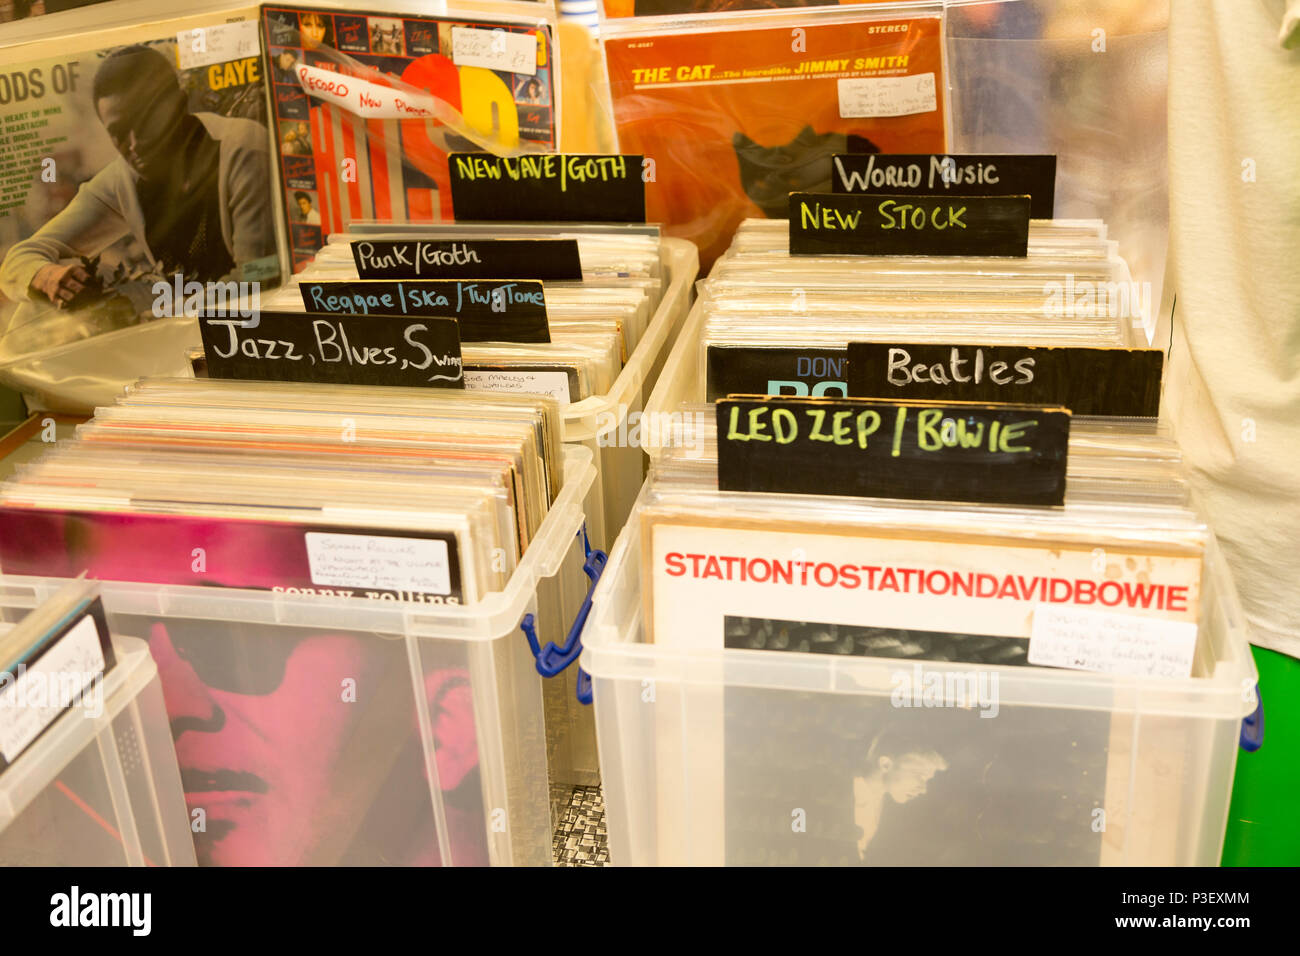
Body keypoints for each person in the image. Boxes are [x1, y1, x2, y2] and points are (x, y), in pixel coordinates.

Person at [0, 45, 276, 308]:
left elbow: (259, 277)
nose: (134, 144)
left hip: (251, 327)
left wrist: (147, 312)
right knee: (36, 310)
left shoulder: (242, 146)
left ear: (180, 105)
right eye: (119, 132)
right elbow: (19, 259)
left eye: (146, 122)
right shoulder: (123, 178)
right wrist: (48, 277)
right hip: (184, 328)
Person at [852, 730, 947, 862]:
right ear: (886, 764)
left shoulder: (882, 804)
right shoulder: (845, 797)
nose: (924, 789)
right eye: (919, 775)